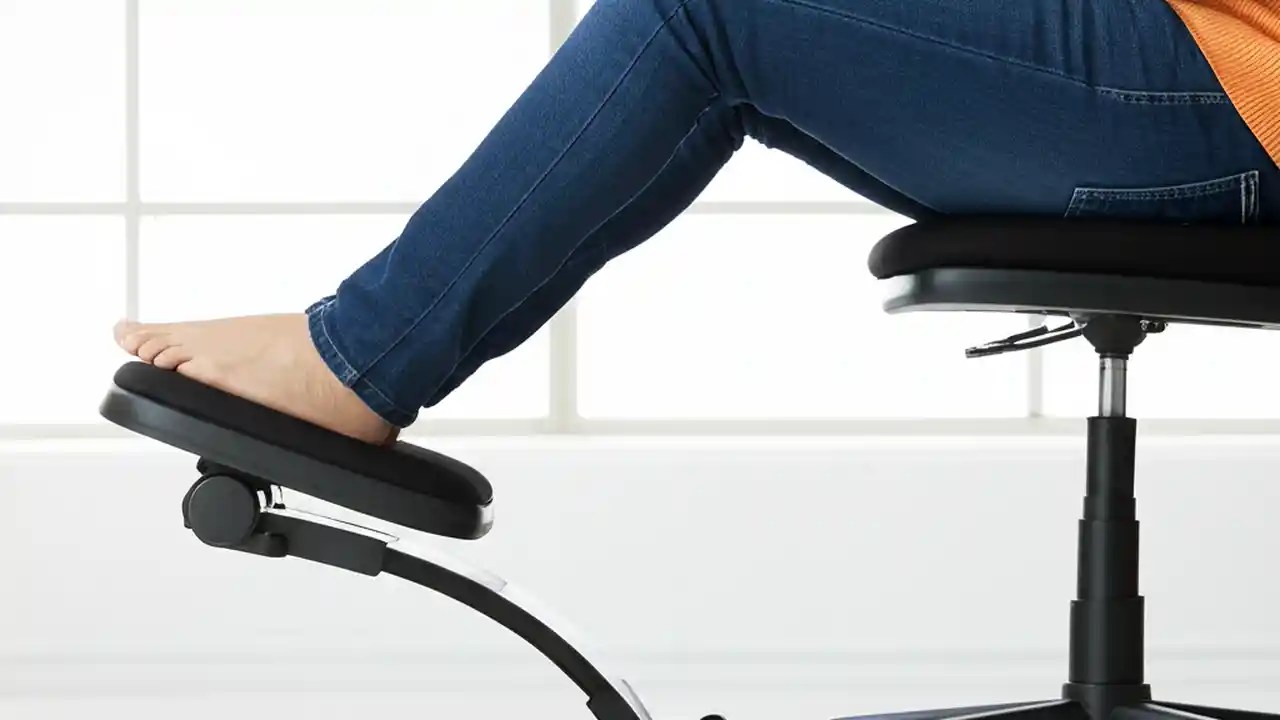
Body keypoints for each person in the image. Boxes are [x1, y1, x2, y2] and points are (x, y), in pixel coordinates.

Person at [113, 0, 1280, 444]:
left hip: (1238, 84)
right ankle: (363, 348)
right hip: (1219, 79)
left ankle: (354, 358)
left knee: (700, 10)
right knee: (728, 44)